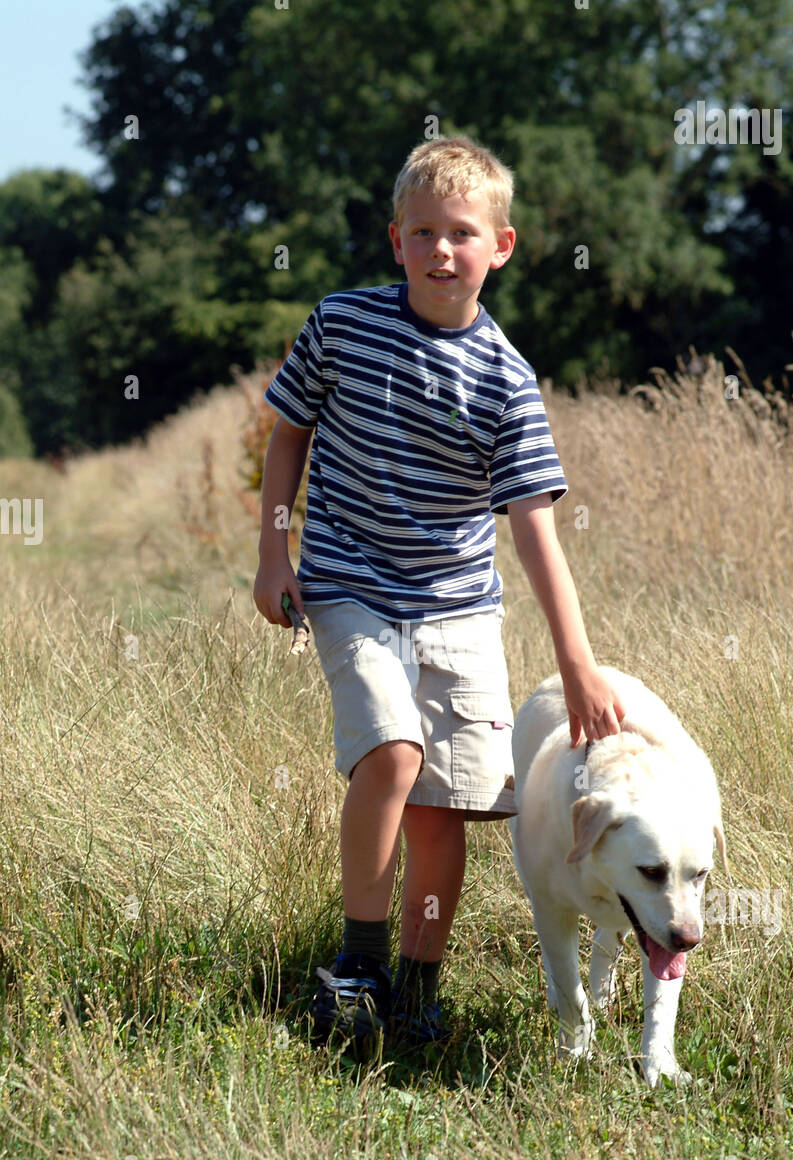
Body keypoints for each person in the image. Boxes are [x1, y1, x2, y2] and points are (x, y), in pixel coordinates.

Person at [253, 134, 624, 1050]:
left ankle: (418, 992)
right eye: (423, 232)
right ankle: (355, 971)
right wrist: (275, 551)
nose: (441, 250)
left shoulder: (507, 383)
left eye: (462, 232)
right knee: (391, 753)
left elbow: (534, 531)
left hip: (458, 607)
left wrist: (576, 664)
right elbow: (289, 431)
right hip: (348, 586)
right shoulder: (342, 322)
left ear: (501, 246)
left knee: (446, 804)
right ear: (396, 241)